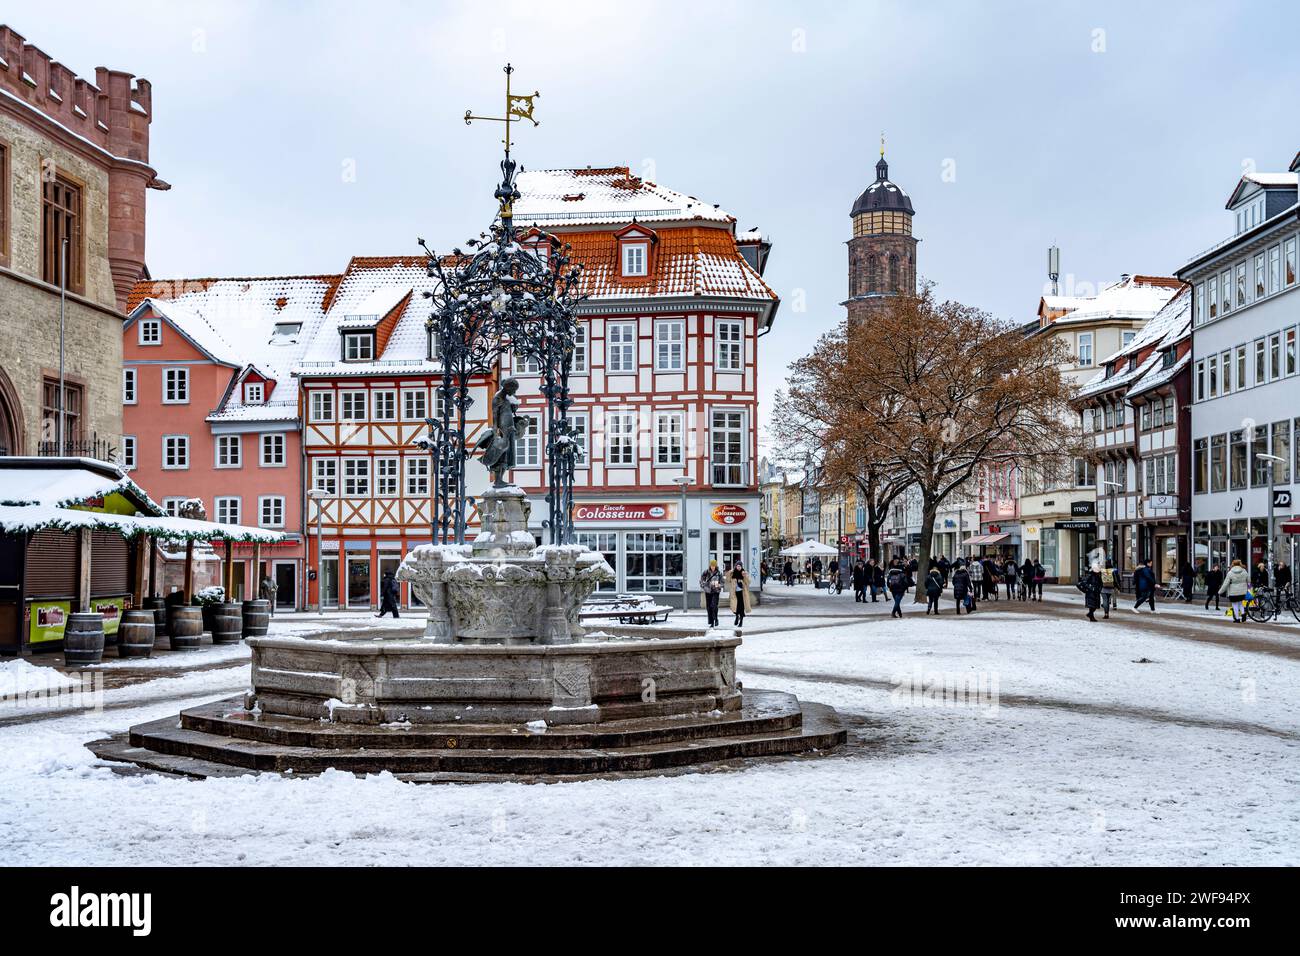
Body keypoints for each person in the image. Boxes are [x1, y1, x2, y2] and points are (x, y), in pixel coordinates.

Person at [1219, 559, 1251, 623]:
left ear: (1233, 564)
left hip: (1233, 592)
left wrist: (1220, 591)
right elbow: (1249, 580)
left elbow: (1225, 584)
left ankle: (1237, 619)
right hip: (1242, 591)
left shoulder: (1230, 573)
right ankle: (1243, 614)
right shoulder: (1244, 571)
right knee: (1240, 603)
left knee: (1235, 605)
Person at [699, 559, 725, 628]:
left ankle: (715, 619)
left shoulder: (719, 573)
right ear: (710, 566)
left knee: (714, 606)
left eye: (714, 566)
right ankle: (711, 621)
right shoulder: (706, 572)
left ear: (716, 566)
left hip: (716, 591)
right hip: (708, 591)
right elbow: (701, 580)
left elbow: (722, 582)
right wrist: (703, 585)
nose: (713, 567)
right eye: (711, 566)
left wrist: (719, 585)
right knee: (709, 607)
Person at [728, 560, 753, 627]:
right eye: (737, 566)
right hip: (734, 594)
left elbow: (748, 582)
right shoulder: (733, 573)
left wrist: (745, 576)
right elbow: (728, 580)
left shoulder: (744, 573)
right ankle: (737, 616)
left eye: (740, 566)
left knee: (741, 607)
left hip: (742, 593)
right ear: (735, 566)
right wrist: (729, 573)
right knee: (735, 607)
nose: (738, 567)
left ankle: (741, 621)